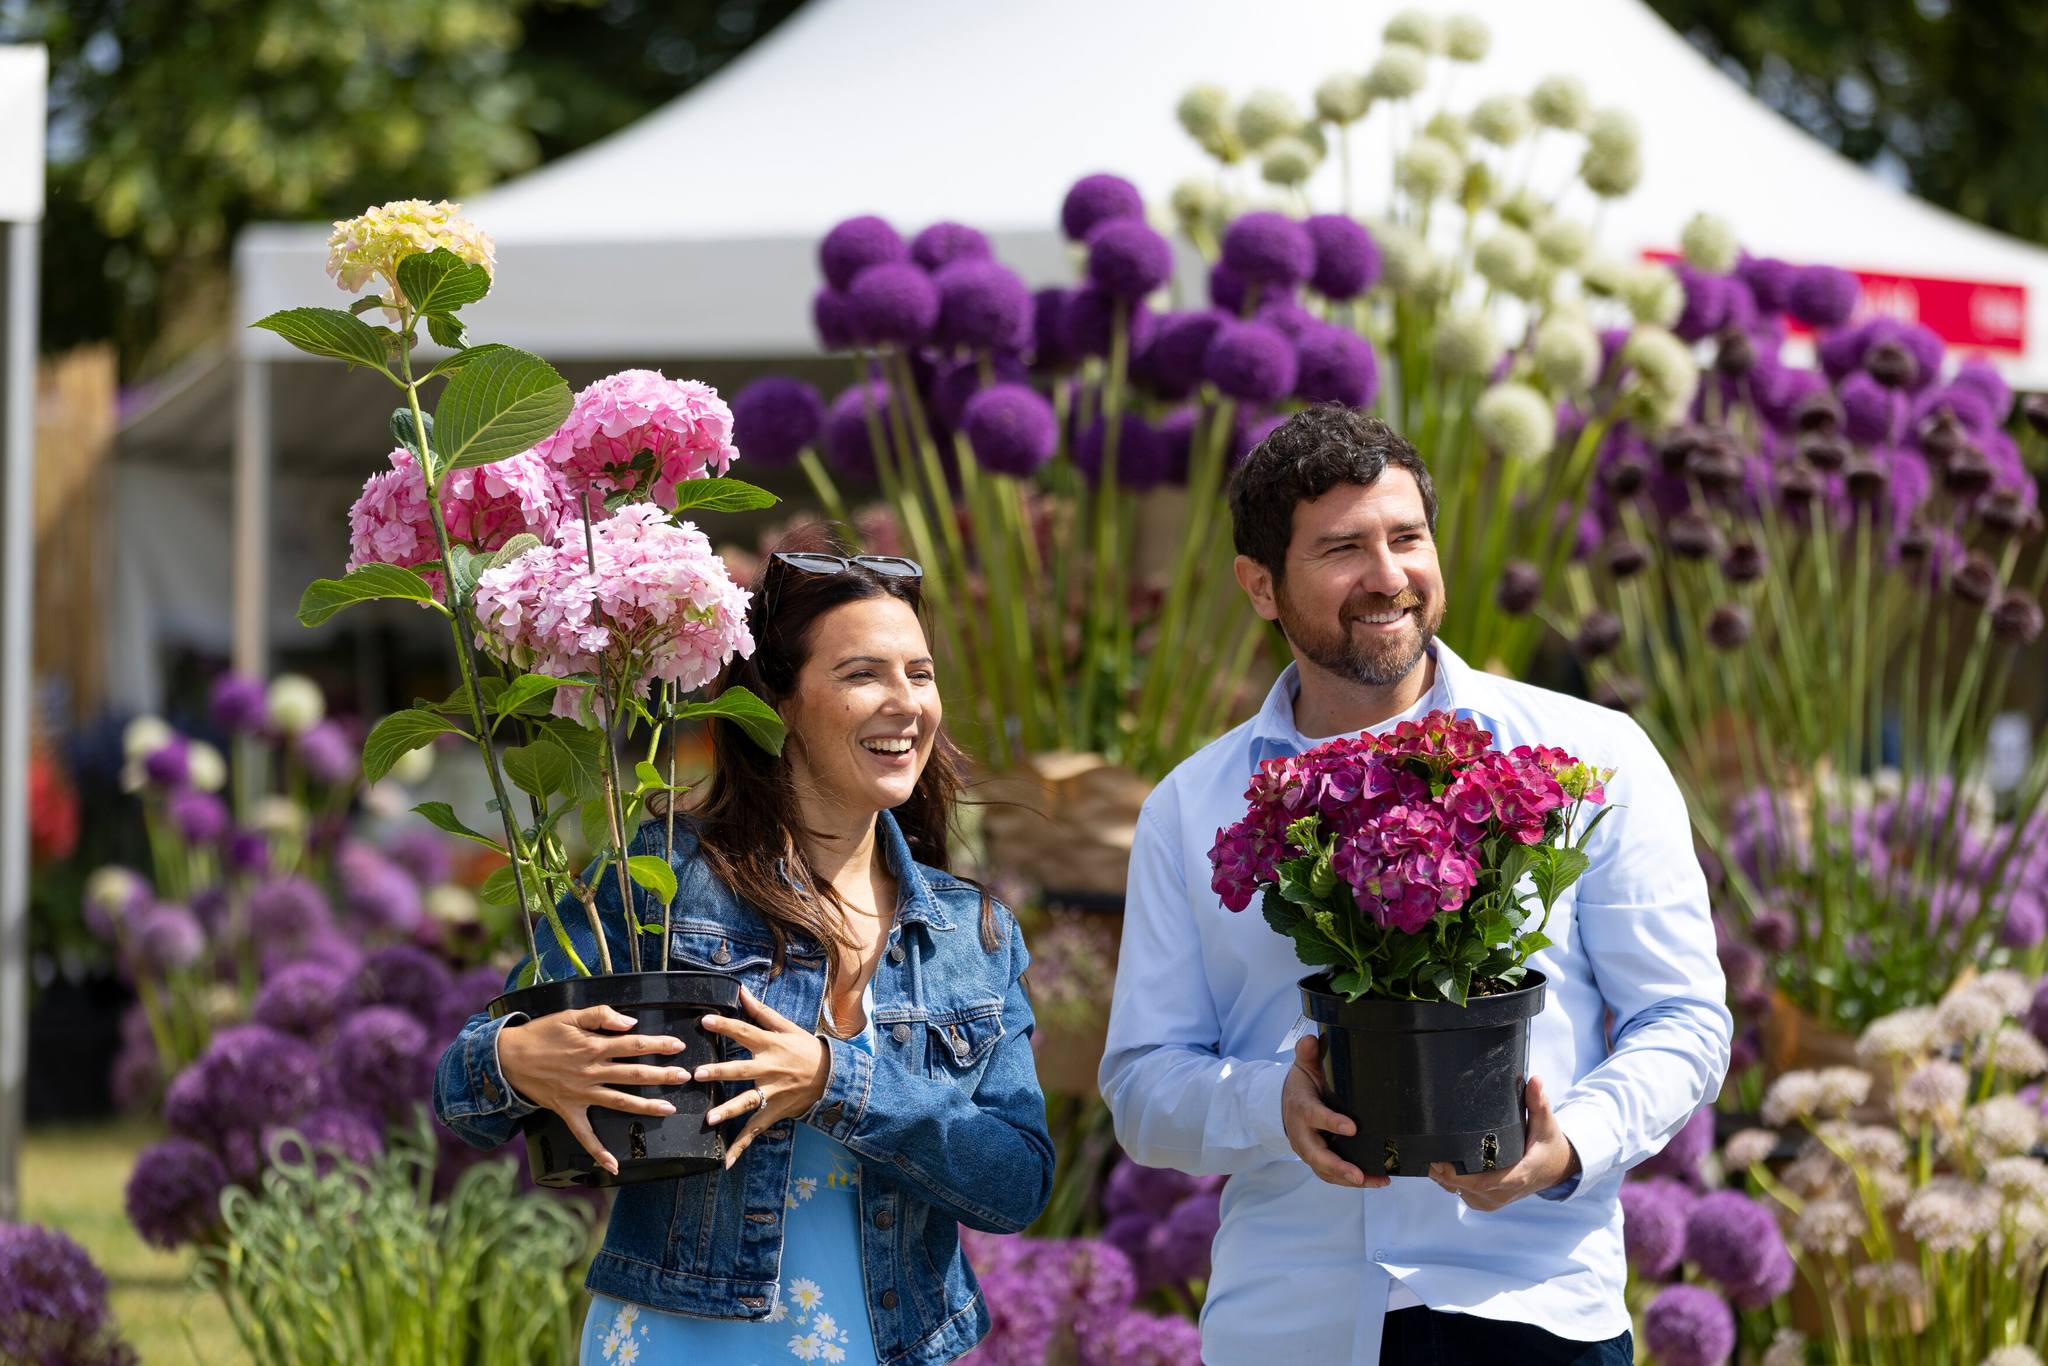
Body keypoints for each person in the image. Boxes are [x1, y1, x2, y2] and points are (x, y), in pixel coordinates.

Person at [1099, 406, 1732, 1365]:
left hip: (1531, 1309)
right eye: (1343, 548)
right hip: (1291, 1324)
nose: (1387, 576)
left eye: (1406, 537)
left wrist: (1566, 1147)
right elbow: (1143, 1085)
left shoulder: (1591, 759)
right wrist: (1271, 1104)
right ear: (1260, 586)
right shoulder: (1192, 806)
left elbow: (1685, 1020)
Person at [434, 549, 1053, 1366]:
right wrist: (512, 1059)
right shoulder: (665, 877)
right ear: (779, 705)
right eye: (864, 674)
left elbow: (1017, 1184)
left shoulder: (974, 933)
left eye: (921, 673)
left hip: (894, 1346)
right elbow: (461, 1090)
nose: (906, 703)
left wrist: (838, 1083)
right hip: (680, 1342)